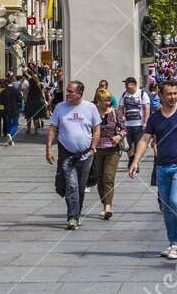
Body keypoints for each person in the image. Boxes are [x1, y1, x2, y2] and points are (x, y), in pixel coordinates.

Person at [129, 80, 177, 259]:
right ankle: (172, 242)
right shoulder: (155, 118)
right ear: (161, 95)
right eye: (169, 94)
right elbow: (144, 140)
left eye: (175, 93)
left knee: (175, 201)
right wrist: (135, 161)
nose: (172, 97)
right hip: (162, 167)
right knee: (166, 207)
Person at [45, 81, 102, 230]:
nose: (67, 94)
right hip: (67, 154)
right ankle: (72, 217)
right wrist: (49, 149)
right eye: (67, 91)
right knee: (71, 185)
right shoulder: (60, 107)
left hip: (85, 154)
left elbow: (97, 130)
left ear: (79, 94)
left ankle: (77, 214)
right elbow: (52, 129)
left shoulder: (90, 108)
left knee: (81, 186)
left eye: (71, 91)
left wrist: (93, 147)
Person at [89, 90, 123, 219]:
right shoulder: (92, 113)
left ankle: (108, 207)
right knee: (99, 179)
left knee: (108, 177)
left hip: (112, 149)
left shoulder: (115, 112)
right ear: (98, 101)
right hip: (97, 150)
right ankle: (104, 204)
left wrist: (119, 136)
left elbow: (125, 128)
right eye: (105, 100)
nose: (108, 103)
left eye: (109, 100)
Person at [120, 77, 148, 168]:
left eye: (127, 84)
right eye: (125, 84)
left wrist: (145, 122)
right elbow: (120, 108)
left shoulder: (142, 94)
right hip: (127, 125)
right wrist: (121, 118)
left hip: (138, 124)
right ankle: (131, 159)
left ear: (134, 84)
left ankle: (135, 163)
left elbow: (146, 108)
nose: (126, 86)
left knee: (137, 145)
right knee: (128, 145)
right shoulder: (124, 94)